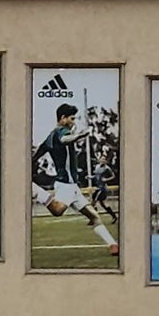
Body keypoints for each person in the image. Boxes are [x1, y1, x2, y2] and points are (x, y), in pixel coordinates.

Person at [32, 103, 119, 256]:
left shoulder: (49, 138)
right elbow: (65, 139)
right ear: (62, 118)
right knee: (58, 210)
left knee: (94, 216)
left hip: (72, 186)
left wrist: (31, 161)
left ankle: (113, 245)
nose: (73, 122)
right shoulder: (61, 131)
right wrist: (79, 136)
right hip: (66, 184)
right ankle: (33, 190)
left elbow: (38, 152)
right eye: (71, 118)